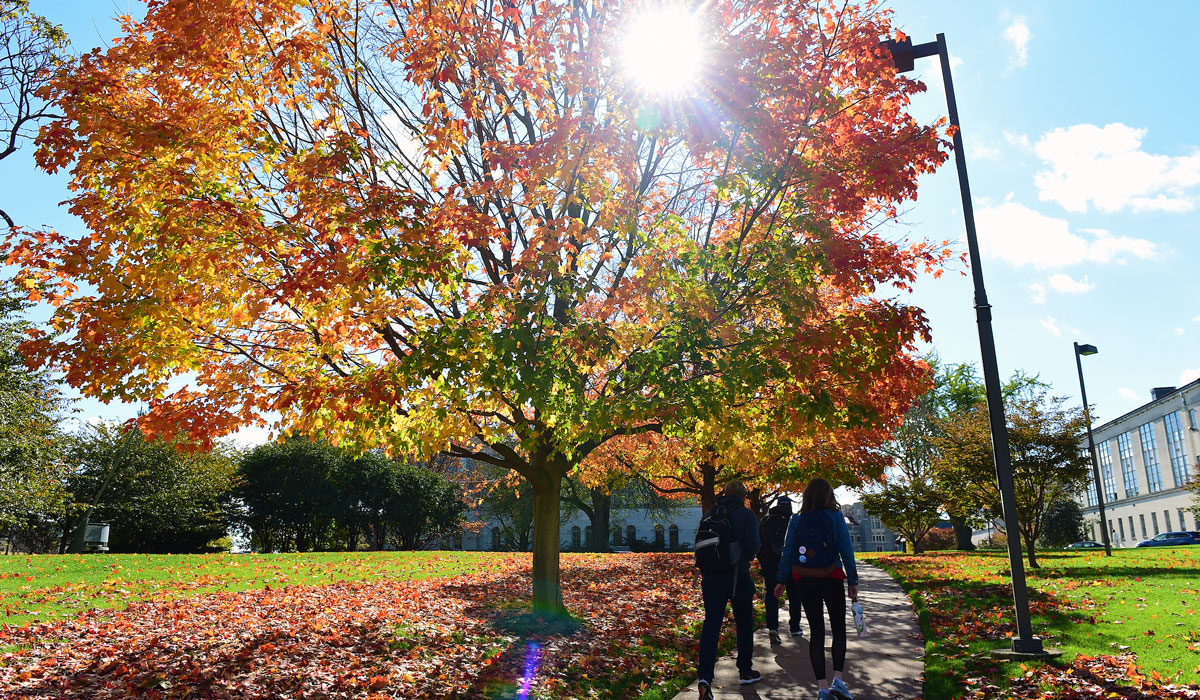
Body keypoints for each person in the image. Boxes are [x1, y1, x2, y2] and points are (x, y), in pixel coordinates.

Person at [775, 478, 858, 700]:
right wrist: (852, 580)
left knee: (816, 631)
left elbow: (788, 550)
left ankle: (822, 688)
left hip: (805, 580)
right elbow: (846, 550)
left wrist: (781, 579)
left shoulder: (797, 518)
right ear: (829, 496)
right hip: (831, 576)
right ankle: (838, 681)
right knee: (838, 630)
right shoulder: (835, 516)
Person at [696, 480, 762, 700]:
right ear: (743, 496)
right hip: (737, 576)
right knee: (744, 622)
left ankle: (705, 677)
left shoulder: (708, 513)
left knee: (711, 624)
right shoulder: (746, 515)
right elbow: (753, 546)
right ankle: (745, 670)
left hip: (711, 577)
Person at [757, 496, 802, 644]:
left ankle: (773, 628)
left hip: (770, 563)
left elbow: (759, 542)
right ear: (790, 506)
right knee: (794, 594)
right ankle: (794, 627)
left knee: (772, 595)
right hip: (791, 563)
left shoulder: (765, 520)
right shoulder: (794, 519)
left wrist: (763, 561)